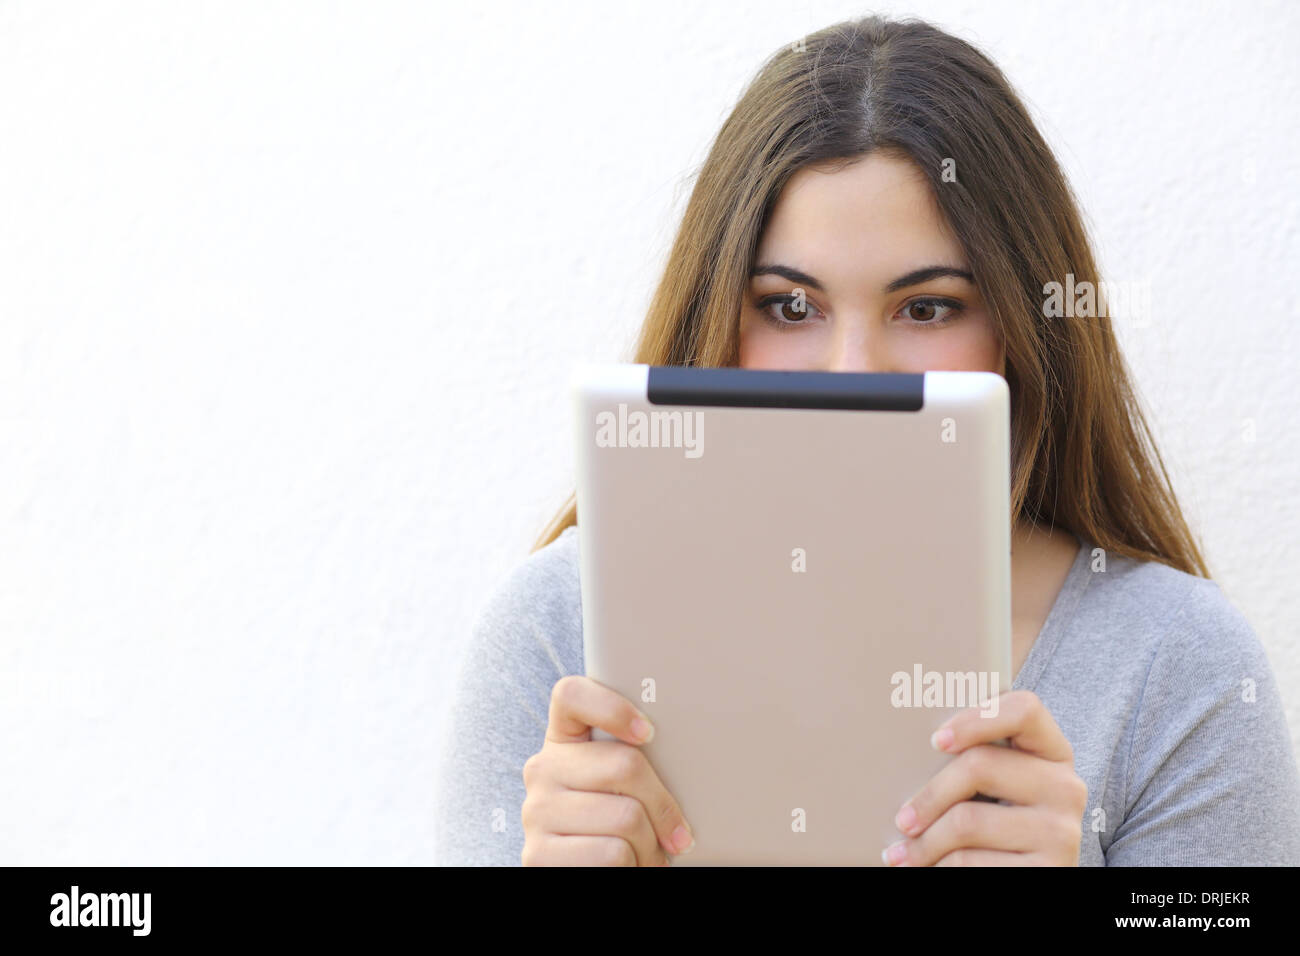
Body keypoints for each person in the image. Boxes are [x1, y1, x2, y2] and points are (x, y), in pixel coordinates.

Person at [433, 14, 1300, 866]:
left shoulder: (1179, 669)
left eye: (926, 308)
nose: (852, 375)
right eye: (789, 306)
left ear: (1020, 334)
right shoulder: (558, 634)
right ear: (718, 316)